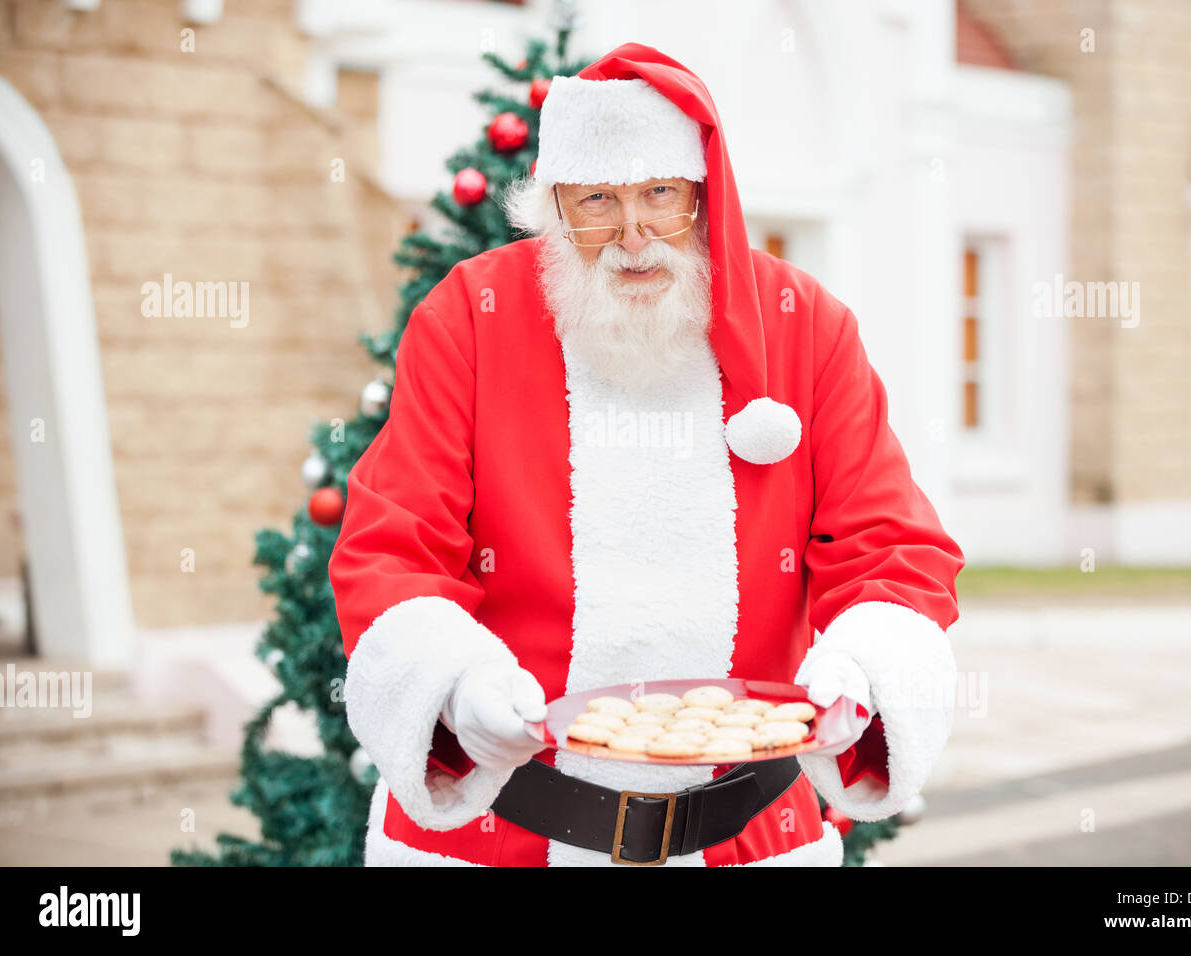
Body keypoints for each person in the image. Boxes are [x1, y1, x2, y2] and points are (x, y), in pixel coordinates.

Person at [327, 42, 965, 867]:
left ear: (704, 195)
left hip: (747, 838)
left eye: (660, 194)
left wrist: (862, 670)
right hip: (509, 837)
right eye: (596, 200)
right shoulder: (469, 317)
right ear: (553, 204)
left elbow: (891, 544)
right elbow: (393, 543)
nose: (633, 236)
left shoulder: (805, 325)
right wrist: (455, 684)